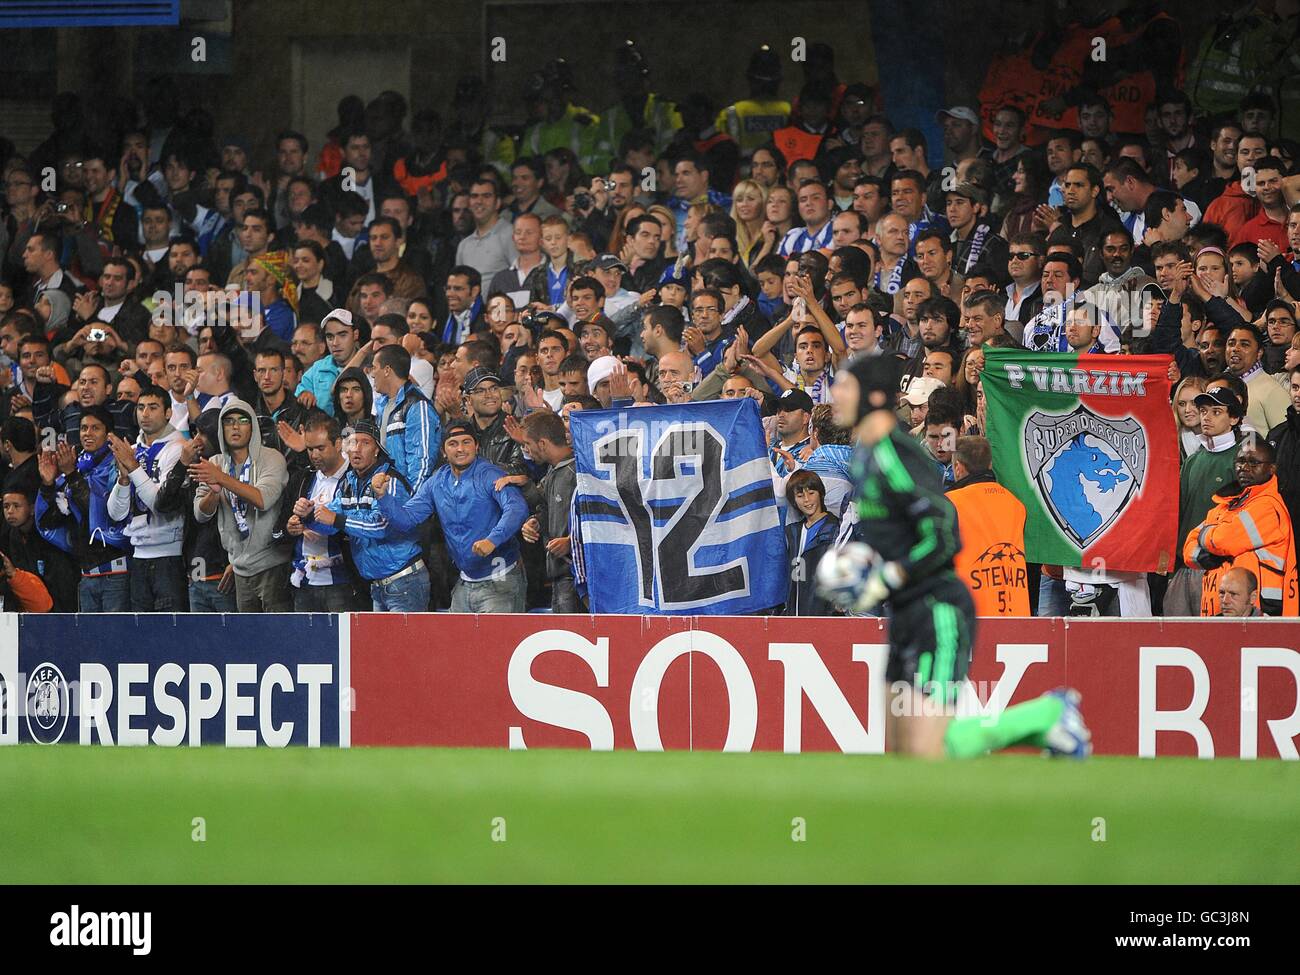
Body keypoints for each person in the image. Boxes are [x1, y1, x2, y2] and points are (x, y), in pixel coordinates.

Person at [816, 354, 1090, 758]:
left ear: (872, 397)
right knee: (904, 748)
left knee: (928, 749)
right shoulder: (868, 456)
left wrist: (886, 578)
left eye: (846, 386)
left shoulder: (897, 457)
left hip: (936, 609)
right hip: (906, 612)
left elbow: (943, 537)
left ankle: (1045, 715)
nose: (835, 394)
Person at [376, 419, 528, 613]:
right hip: (465, 581)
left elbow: (516, 508)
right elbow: (407, 519)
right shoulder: (437, 480)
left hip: (500, 579)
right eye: (453, 444)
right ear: (443, 451)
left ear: (477, 446)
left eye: (467, 442)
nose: (461, 449)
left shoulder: (490, 474)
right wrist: (382, 497)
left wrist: (493, 540)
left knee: (497, 643)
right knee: (457, 643)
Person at [304, 418, 428, 612]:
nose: (357, 448)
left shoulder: (389, 480)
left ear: (377, 449)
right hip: (377, 585)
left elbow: (382, 526)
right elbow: (330, 521)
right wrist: (309, 516)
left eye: (365, 442)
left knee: (405, 643)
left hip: (404, 582)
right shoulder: (348, 483)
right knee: (382, 644)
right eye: (353, 442)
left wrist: (336, 519)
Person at [191, 399, 292, 613]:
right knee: (249, 639)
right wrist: (214, 492)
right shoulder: (215, 462)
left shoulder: (272, 458)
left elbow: (263, 499)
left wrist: (222, 478)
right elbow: (201, 514)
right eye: (229, 422)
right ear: (221, 428)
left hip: (271, 564)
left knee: (278, 637)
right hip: (239, 567)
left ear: (253, 427)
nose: (235, 427)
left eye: (242, 421)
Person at [1185, 437, 1298, 617]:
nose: (1244, 468)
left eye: (1254, 463)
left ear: (1271, 469)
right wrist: (1201, 553)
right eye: (1241, 461)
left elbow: (1222, 541)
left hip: (1258, 614)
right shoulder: (1225, 504)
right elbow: (1188, 548)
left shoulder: (1268, 507)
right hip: (1217, 611)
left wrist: (1205, 537)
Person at [34, 405, 131, 611]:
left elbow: (101, 516)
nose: (87, 433)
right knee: (90, 642)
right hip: (86, 575)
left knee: (115, 640)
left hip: (115, 575)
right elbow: (51, 522)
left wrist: (71, 475)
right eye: (83, 428)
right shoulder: (77, 467)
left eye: (95, 428)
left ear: (108, 434)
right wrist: (48, 485)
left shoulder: (117, 466)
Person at [105, 385, 187, 611]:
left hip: (170, 557)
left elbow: (159, 504)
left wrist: (132, 467)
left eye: (153, 407)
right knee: (142, 635)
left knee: (170, 633)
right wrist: (123, 480)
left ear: (168, 413)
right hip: (138, 556)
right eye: (141, 408)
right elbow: (116, 513)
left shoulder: (179, 449)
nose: (145, 413)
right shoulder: (132, 450)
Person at [945, 435, 1029, 617]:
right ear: (990, 464)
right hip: (1016, 615)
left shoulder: (949, 503)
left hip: (969, 617)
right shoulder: (1017, 505)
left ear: (958, 467)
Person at [284, 412, 356, 612]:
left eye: (320, 448)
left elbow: (349, 526)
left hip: (341, 582)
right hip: (303, 582)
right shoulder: (303, 478)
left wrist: (310, 519)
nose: (314, 455)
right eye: (309, 449)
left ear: (338, 443)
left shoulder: (354, 479)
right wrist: (292, 527)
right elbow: (279, 528)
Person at [519, 410, 579, 613]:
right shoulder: (553, 471)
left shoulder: (579, 472)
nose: (527, 450)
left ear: (542, 444)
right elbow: (546, 509)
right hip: (559, 574)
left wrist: (571, 542)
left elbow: (599, 518)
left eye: (528, 444)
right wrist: (535, 521)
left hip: (577, 576)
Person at [782, 469, 840, 616]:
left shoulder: (837, 529)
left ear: (821, 493)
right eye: (800, 496)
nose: (807, 500)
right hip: (794, 613)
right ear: (793, 501)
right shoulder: (791, 532)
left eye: (811, 493)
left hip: (826, 614)